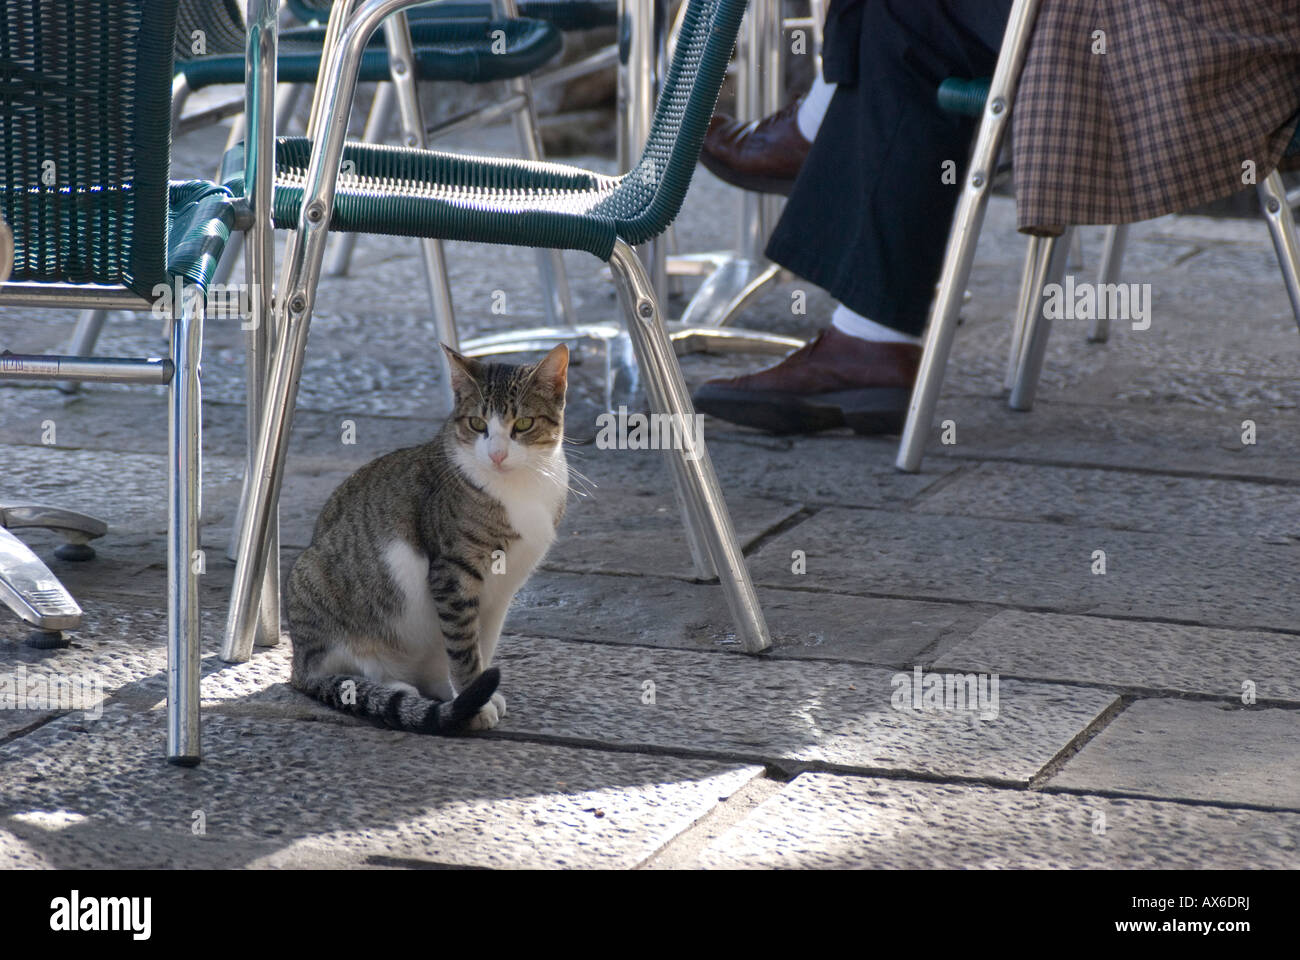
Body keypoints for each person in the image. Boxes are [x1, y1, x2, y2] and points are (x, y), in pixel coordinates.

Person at [693, 0, 1300, 435]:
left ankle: (819, 144)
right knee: (905, 18)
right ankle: (867, 340)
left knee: (907, 15)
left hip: (1196, 36)